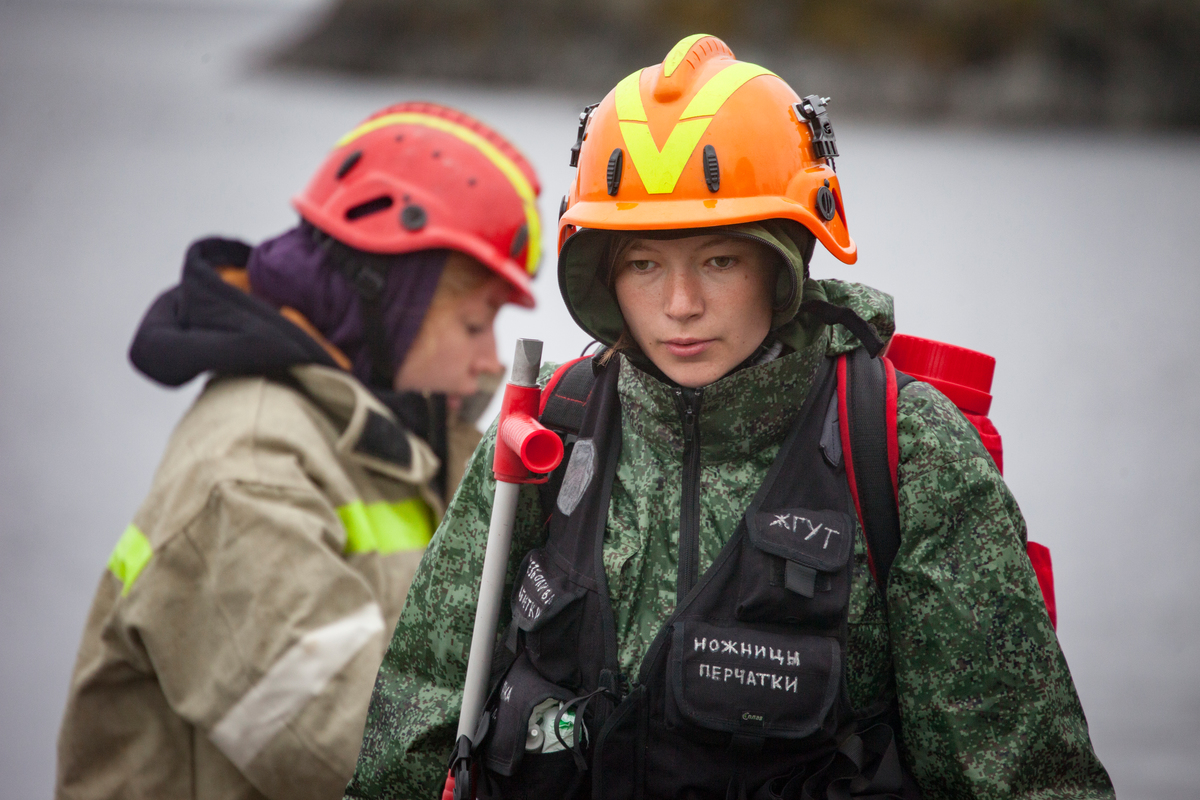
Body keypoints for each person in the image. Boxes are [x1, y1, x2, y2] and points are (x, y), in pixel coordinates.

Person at [345, 38, 1115, 800]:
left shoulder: (907, 454)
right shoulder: (551, 426)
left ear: (781, 265)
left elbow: (1025, 775)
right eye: (645, 265)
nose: (680, 306)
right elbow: (420, 705)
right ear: (606, 278)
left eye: (720, 261)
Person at [55, 102, 543, 800]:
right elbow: (363, 762)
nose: (490, 359)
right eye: (474, 321)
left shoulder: (381, 437)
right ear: (389, 302)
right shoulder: (250, 475)